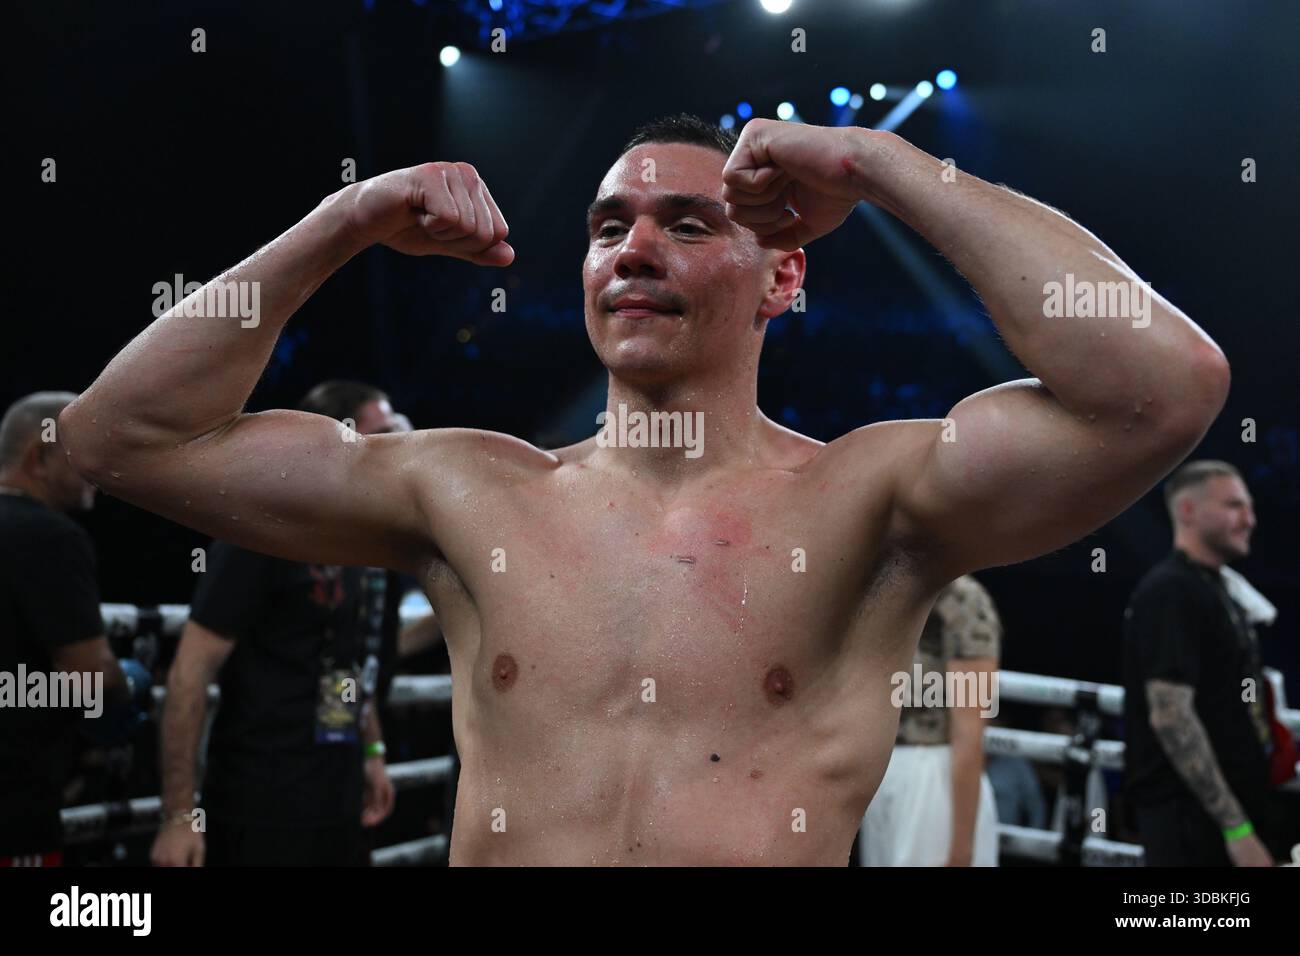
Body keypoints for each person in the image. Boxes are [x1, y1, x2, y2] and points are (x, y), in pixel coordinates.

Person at [61, 114, 1231, 865]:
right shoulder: (466, 489)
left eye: (685, 223)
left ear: (784, 275)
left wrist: (879, 164)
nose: (633, 250)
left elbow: (1161, 386)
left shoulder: (872, 498)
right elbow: (119, 436)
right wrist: (348, 217)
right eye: (608, 225)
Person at [150, 381, 404, 867]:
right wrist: (179, 816)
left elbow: (344, 660)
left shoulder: (356, 540)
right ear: (336, 440)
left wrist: (371, 750)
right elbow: (189, 675)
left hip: (337, 793)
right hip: (261, 800)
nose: (398, 447)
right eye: (384, 432)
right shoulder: (258, 534)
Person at [1123, 460, 1287, 866]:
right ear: (1188, 511)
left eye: (1248, 507)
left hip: (1227, 811)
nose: (1249, 519)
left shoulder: (1218, 588)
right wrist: (1237, 828)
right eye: (1233, 506)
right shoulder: (1170, 592)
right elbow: (1171, 718)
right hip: (1192, 821)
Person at [0, 391, 128, 865]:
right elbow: (84, 678)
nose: (100, 470)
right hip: (16, 804)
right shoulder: (50, 537)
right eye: (86, 453)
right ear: (40, 457)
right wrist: (122, 679)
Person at [860, 575, 1001, 866]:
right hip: (885, 773)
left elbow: (969, 732)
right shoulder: (886, 589)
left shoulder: (962, 600)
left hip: (932, 778)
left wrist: (961, 849)